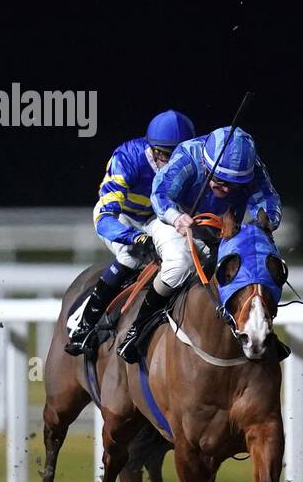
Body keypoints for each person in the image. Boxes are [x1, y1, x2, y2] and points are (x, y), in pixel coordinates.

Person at [115, 125, 282, 363]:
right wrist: (175, 217)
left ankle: (259, 331)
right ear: (206, 164)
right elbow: (160, 194)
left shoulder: (253, 167)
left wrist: (264, 222)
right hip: (176, 221)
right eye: (220, 180)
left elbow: (268, 199)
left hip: (224, 228)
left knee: (257, 267)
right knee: (180, 265)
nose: (225, 189)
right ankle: (138, 328)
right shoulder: (188, 156)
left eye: (233, 185)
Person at [65, 109, 195, 356]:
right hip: (123, 217)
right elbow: (106, 217)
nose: (170, 163)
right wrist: (133, 237)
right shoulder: (128, 157)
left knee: (184, 258)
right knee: (131, 256)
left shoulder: (193, 161)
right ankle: (85, 324)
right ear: (152, 149)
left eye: (177, 156)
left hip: (158, 217)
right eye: (164, 155)